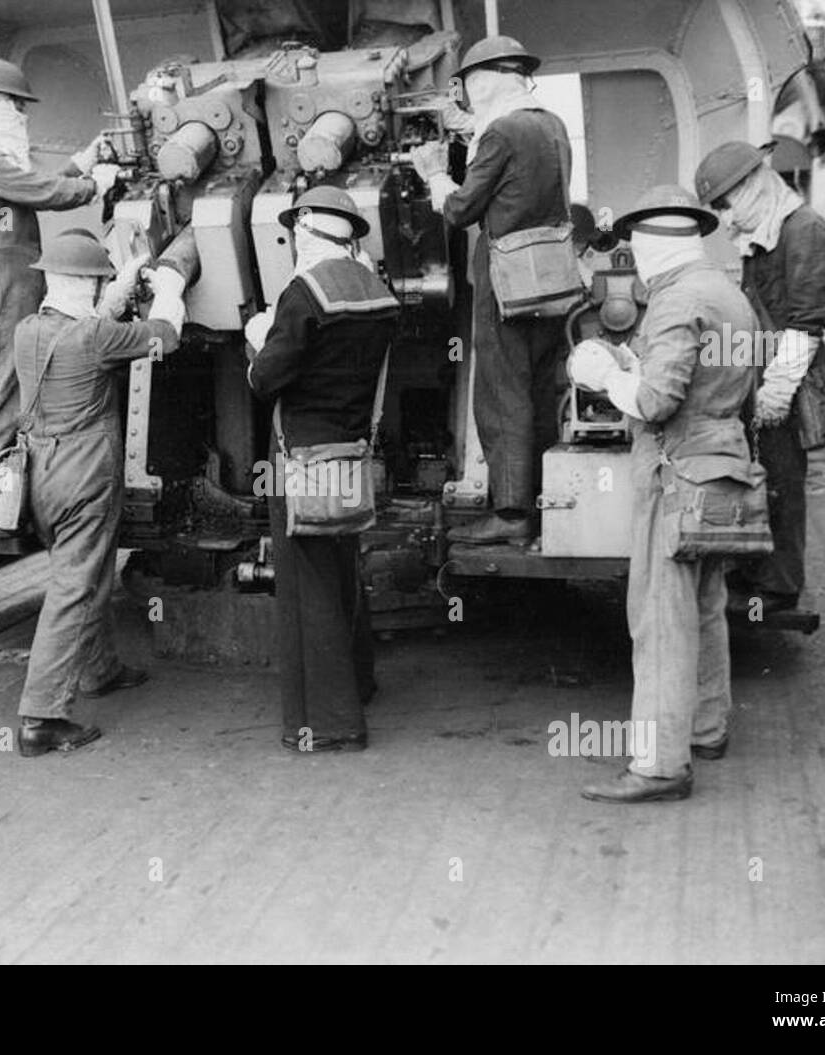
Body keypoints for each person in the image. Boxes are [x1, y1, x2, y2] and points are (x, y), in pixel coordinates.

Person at [569, 187, 758, 803]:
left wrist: (605, 374)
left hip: (676, 475)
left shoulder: (676, 301)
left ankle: (658, 766)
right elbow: (711, 381)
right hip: (722, 467)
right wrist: (634, 360)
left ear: (650, 243)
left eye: (632, 245)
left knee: (660, 618)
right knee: (706, 605)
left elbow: (656, 402)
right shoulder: (729, 293)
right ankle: (706, 728)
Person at [12, 230, 185, 757]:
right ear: (88, 284)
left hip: (41, 472)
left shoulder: (30, 330)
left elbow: (89, 323)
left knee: (88, 569)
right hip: (84, 474)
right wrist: (170, 286)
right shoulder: (94, 338)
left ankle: (99, 669)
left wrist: (117, 288)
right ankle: (41, 718)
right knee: (74, 588)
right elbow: (165, 336)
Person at [245, 187, 399, 753]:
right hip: (349, 448)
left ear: (306, 228)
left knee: (307, 583)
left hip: (299, 454)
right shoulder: (377, 293)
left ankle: (331, 722)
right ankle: (360, 681)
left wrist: (258, 339)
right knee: (340, 568)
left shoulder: (303, 292)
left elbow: (266, 380)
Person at [411, 35, 573, 546]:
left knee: (502, 394)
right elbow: (516, 173)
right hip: (552, 281)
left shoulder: (500, 133)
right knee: (539, 392)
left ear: (484, 81)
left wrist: (436, 173)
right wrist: (466, 130)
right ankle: (542, 505)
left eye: (468, 85)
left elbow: (460, 211)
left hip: (506, 281)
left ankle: (509, 513)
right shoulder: (550, 124)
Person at [0, 57, 124, 530]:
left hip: (12, 278)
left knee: (11, 381)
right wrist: (92, 187)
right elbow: (39, 190)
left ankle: (0, 496)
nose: (22, 117)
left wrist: (84, 162)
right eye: (16, 106)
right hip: (0, 283)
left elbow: (30, 189)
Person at [696, 141, 825, 614]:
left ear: (754, 184)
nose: (727, 220)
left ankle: (778, 586)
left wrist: (776, 392)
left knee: (782, 479)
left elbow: (807, 321)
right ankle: (754, 567)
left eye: (727, 205)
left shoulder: (805, 231)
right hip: (763, 377)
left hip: (786, 384)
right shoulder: (770, 232)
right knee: (760, 473)